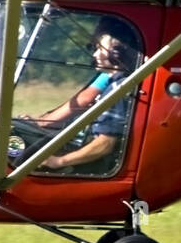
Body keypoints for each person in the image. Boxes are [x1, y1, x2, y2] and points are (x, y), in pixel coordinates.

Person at [23, 21, 139, 172]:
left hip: (99, 167)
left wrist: (59, 161)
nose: (95, 54)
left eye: (99, 48)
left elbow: (106, 144)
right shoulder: (113, 84)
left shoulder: (118, 88)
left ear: (117, 53)